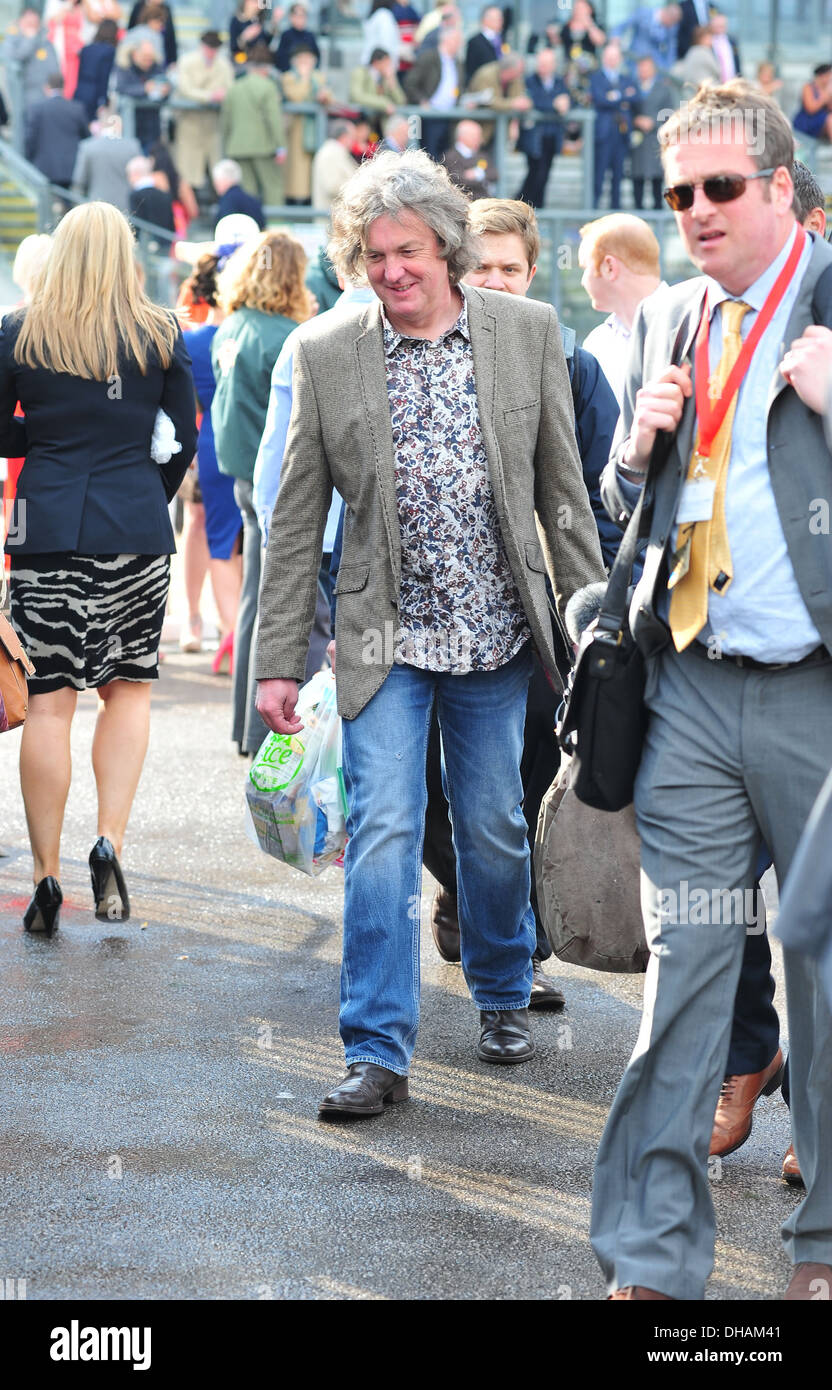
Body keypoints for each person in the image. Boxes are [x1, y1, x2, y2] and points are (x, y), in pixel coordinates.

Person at [253, 151, 606, 1116]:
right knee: (382, 833)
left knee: (492, 824)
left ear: (447, 247)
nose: (392, 270)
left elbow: (563, 498)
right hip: (383, 641)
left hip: (497, 635)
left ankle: (500, 991)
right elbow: (294, 521)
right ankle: (376, 1048)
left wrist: (595, 630)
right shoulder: (327, 353)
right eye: (373, 255)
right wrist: (278, 659)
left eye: (407, 250)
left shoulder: (526, 333)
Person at [590, 78, 832, 1302]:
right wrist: (635, 451)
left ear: (781, 190)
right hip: (688, 685)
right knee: (689, 957)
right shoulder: (669, 318)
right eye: (677, 191)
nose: (694, 209)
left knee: (818, 956)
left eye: (720, 188)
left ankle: (824, 1245)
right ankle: (649, 1253)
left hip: (817, 692)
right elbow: (622, 514)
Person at [421, 195, 619, 1004]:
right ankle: (471, 901)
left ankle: (512, 941)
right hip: (427, 616)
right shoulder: (420, 351)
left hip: (536, 620)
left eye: (510, 268)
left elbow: (602, 507)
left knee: (523, 781)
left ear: (533, 275)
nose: (494, 282)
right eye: (480, 268)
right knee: (423, 787)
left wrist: (594, 612)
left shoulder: (571, 369)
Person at [0, 200, 196, 938]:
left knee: (49, 702)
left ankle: (46, 875)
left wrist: (44, 431)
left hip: (45, 530)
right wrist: (147, 496)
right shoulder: (158, 332)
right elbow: (181, 440)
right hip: (137, 532)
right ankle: (110, 839)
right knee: (130, 691)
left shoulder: (20, 331)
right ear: (126, 255)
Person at [211, 230, 314, 755]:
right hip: (269, 481)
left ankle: (244, 728)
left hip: (241, 477)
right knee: (280, 604)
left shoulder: (231, 326)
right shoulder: (283, 337)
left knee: (255, 601)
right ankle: (263, 730)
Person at [180, 252, 243, 662]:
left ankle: (231, 633)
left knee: (220, 540)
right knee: (235, 542)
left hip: (210, 441)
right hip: (244, 443)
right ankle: (233, 635)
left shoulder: (193, 341)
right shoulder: (253, 334)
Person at [578, 212, 665, 403]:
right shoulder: (597, 344)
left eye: (585, 268)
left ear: (609, 267)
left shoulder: (692, 324)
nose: (583, 281)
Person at [220, 42, 287, 208]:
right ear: (266, 67)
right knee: (273, 189)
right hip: (264, 147)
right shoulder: (268, 87)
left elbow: (225, 122)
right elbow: (274, 120)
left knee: (247, 191)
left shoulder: (234, 88)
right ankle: (275, 229)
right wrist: (281, 146)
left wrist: (227, 145)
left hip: (237, 147)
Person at [174, 30, 234, 192]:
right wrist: (209, 96)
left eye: (215, 48)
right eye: (209, 47)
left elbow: (229, 88)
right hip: (190, 122)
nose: (211, 52)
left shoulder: (223, 64)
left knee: (217, 167)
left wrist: (218, 96)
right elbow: (185, 88)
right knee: (188, 169)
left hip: (213, 124)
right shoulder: (187, 61)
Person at [516, 46, 570, 208]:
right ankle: (522, 205)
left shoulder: (560, 81)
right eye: (540, 63)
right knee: (536, 173)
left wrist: (565, 103)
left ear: (553, 65)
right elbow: (533, 101)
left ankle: (536, 208)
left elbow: (568, 101)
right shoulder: (529, 80)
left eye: (546, 63)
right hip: (534, 136)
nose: (542, 67)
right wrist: (554, 104)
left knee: (545, 175)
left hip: (552, 135)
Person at [404, 20, 464, 161]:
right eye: (457, 40)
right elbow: (410, 83)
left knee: (447, 157)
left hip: (450, 116)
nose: (459, 44)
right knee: (430, 155)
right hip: (429, 116)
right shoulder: (428, 58)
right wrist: (421, 100)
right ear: (446, 40)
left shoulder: (458, 62)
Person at [281, 44, 334, 204]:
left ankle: (311, 200)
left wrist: (324, 96)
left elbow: (328, 95)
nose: (306, 64)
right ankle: (296, 201)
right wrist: (304, 78)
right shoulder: (289, 77)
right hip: (297, 129)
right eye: (302, 60)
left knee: (313, 168)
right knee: (297, 172)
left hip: (316, 128)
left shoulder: (318, 77)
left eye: (309, 60)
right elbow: (296, 96)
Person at [590, 42, 638, 208]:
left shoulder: (626, 78)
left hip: (621, 134)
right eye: (609, 57)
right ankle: (592, 210)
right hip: (603, 134)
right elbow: (600, 99)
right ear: (603, 58)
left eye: (615, 58)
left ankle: (616, 212)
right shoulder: (596, 78)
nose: (612, 61)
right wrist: (622, 97)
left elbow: (635, 97)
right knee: (598, 176)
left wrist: (614, 97)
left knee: (618, 177)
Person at [24, 71, 89, 187]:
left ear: (47, 87)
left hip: (44, 167)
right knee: (68, 202)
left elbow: (30, 138)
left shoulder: (37, 109)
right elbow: (86, 136)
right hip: (70, 167)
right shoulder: (76, 108)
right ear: (64, 86)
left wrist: (28, 158)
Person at [630, 54, 675, 210]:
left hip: (656, 138)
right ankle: (638, 210)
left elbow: (670, 113)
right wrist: (635, 120)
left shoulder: (663, 89)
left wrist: (654, 122)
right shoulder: (631, 87)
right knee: (637, 176)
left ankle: (657, 210)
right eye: (640, 67)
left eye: (646, 68)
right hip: (637, 140)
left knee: (657, 178)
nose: (643, 71)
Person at [72, 108, 141, 211]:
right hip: (126, 208)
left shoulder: (88, 147)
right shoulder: (132, 146)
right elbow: (140, 180)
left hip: (97, 208)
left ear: (101, 124)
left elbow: (79, 181)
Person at [465, 51, 532, 148]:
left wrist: (515, 121)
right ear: (510, 70)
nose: (520, 74)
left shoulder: (516, 79)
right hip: (480, 130)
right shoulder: (485, 75)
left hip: (501, 131)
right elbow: (488, 101)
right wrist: (512, 104)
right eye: (519, 71)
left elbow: (521, 99)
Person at [113, 39, 170, 152]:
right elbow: (121, 88)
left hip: (152, 126)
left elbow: (165, 87)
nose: (148, 60)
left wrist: (165, 90)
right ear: (135, 54)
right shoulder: (124, 67)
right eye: (145, 56)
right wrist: (144, 88)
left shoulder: (157, 67)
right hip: (130, 125)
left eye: (150, 57)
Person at [2, 7, 62, 112]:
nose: (32, 27)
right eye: (29, 23)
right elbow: (17, 57)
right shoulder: (13, 40)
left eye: (35, 23)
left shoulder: (44, 41)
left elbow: (54, 67)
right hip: (26, 94)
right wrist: (30, 40)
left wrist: (54, 88)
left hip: (47, 92)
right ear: (20, 22)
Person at [611, 2, 681, 70]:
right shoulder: (643, 14)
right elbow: (622, 26)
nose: (671, 26)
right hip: (635, 60)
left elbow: (671, 50)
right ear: (667, 15)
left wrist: (667, 69)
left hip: (654, 67)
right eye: (671, 23)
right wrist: (615, 39)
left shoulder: (672, 28)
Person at [73, 16, 119, 121]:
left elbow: (79, 73)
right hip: (95, 93)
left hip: (80, 91)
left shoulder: (86, 49)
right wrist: (103, 99)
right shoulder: (109, 51)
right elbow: (104, 76)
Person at [442, 119, 496, 199]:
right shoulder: (450, 157)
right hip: (461, 201)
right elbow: (457, 181)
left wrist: (478, 174)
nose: (480, 140)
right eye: (475, 136)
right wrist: (482, 180)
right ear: (462, 137)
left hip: (484, 200)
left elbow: (495, 174)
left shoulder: (482, 155)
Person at [311, 118, 356, 210]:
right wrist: (359, 187)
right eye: (352, 137)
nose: (353, 142)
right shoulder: (331, 153)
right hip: (330, 217)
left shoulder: (335, 152)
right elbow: (332, 186)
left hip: (335, 216)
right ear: (344, 136)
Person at [348, 46, 405, 116]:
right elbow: (357, 96)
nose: (389, 66)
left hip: (382, 118)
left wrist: (392, 82)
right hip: (362, 116)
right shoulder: (361, 73)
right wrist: (384, 103)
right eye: (386, 63)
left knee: (403, 125)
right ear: (376, 63)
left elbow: (400, 101)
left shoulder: (387, 77)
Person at [127, 151, 174, 231]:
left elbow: (136, 225)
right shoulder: (164, 195)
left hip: (144, 241)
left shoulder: (135, 196)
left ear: (135, 173)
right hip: (165, 240)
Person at [212, 158, 265, 229]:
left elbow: (226, 228)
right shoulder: (253, 200)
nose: (215, 184)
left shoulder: (228, 200)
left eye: (217, 180)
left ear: (224, 180)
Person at [669, 24, 719, 95]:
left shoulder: (691, 52)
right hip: (706, 90)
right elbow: (717, 70)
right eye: (709, 38)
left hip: (691, 90)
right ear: (702, 38)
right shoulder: (704, 51)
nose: (711, 41)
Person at [272, 3, 320, 72]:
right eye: (297, 16)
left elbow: (316, 57)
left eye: (303, 16)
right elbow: (280, 59)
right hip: (290, 73)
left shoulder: (310, 36)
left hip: (308, 73)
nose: (300, 19)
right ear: (291, 17)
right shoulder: (286, 35)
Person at [793, 63, 832, 145]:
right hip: (807, 122)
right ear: (821, 75)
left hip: (821, 123)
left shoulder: (827, 89)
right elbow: (810, 109)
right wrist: (825, 96)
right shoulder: (808, 87)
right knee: (830, 119)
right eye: (828, 75)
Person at [465, 5, 504, 84]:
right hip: (483, 85)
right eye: (497, 19)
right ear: (485, 20)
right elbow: (470, 70)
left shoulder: (501, 39)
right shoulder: (475, 42)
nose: (501, 21)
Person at [361, 0, 400, 70]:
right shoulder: (384, 15)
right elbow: (387, 42)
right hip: (381, 63)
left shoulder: (374, 16)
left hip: (372, 62)